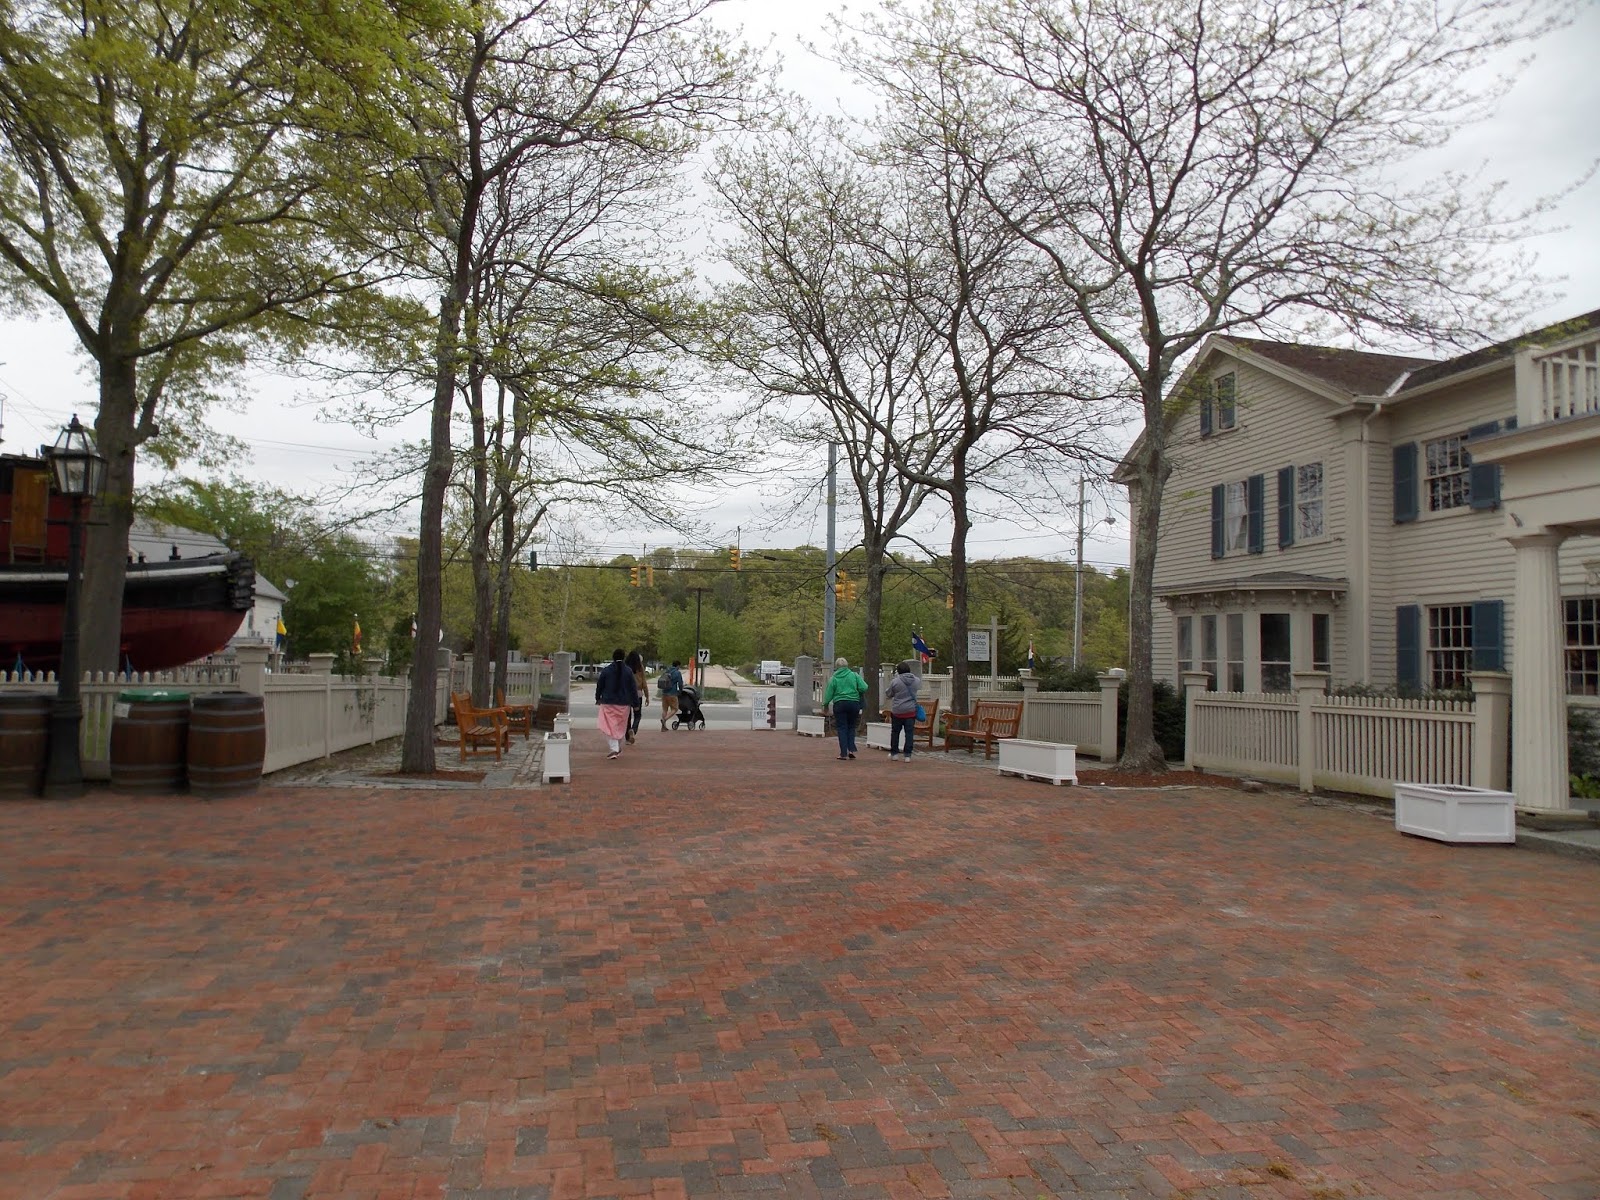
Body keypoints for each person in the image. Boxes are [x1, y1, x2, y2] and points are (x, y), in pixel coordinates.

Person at [822, 655, 869, 761]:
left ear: (837, 666)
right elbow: (864, 687)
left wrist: (825, 705)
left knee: (842, 728)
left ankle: (843, 753)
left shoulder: (834, 678)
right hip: (854, 703)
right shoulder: (854, 675)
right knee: (851, 727)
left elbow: (828, 694)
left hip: (840, 704)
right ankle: (851, 750)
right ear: (847, 665)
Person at [595, 648, 639, 759]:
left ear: (613, 657)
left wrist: (597, 697)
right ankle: (617, 747)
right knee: (620, 726)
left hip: (608, 702)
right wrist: (635, 703)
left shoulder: (606, 670)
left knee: (608, 726)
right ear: (624, 657)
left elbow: (600, 685)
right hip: (624, 703)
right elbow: (633, 689)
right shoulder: (628, 671)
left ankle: (614, 748)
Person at [885, 660, 921, 762]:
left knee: (895, 732)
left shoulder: (895, 681)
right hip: (911, 711)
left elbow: (889, 694)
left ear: (898, 671)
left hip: (898, 711)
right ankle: (907, 755)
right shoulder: (916, 680)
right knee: (909, 733)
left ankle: (894, 753)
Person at [626, 650, 649, 743]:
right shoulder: (640, 667)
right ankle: (633, 730)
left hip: (627, 693)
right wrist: (647, 696)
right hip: (638, 692)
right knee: (637, 715)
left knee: (627, 716)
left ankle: (627, 737)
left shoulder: (625, 667)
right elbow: (644, 682)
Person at [659, 660, 684, 730]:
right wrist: (681, 691)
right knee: (675, 709)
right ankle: (665, 719)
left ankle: (663, 727)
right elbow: (680, 684)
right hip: (672, 694)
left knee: (664, 710)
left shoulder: (666, 671)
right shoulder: (677, 673)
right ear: (678, 666)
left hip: (664, 693)